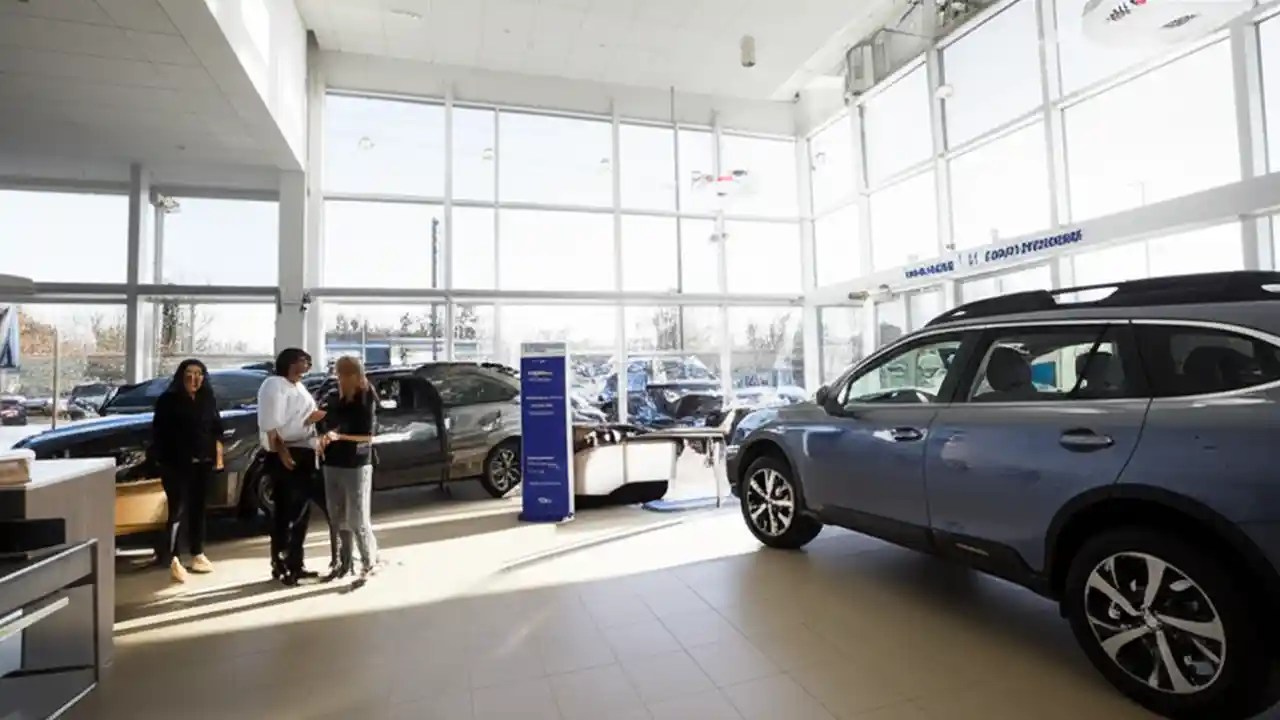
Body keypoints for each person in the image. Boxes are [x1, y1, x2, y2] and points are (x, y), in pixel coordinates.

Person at [257, 348, 327, 585]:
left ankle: (297, 563)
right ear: (288, 363)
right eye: (302, 361)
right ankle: (282, 563)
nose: (306, 366)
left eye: (308, 362)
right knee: (286, 511)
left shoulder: (298, 386)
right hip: (286, 452)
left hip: (305, 451)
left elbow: (298, 417)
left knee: (301, 512)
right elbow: (271, 423)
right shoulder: (273, 384)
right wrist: (282, 451)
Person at [151, 359, 223, 584]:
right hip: (176, 465)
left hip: (203, 463)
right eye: (190, 373)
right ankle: (172, 557)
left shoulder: (207, 399)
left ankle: (197, 553)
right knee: (177, 510)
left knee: (198, 509)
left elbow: (216, 430)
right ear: (181, 376)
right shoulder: (168, 401)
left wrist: (218, 458)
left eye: (199, 374)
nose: (194, 378)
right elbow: (159, 435)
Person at [320, 356, 379, 583]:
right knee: (337, 516)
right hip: (333, 462)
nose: (339, 379)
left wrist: (339, 436)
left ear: (354, 375)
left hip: (356, 463)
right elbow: (327, 421)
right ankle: (345, 563)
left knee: (357, 517)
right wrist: (323, 434)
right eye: (337, 374)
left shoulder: (365, 398)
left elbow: (367, 436)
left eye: (343, 375)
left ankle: (368, 561)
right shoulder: (335, 397)